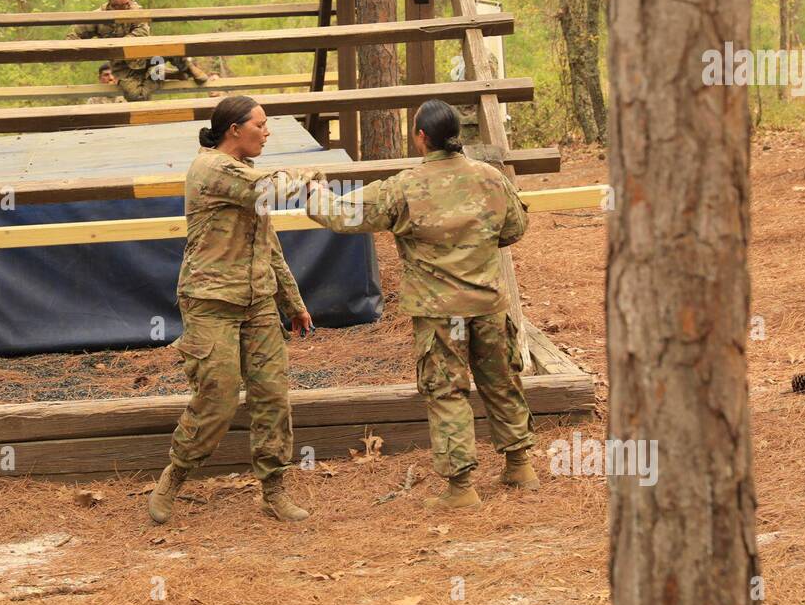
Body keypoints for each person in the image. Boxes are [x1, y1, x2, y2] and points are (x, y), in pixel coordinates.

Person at [304, 99, 537, 511]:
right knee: (501, 379)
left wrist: (313, 191)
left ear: (421, 137)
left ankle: (462, 488)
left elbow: (341, 217)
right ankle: (519, 465)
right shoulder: (491, 178)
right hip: (488, 304)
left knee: (446, 392)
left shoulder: (404, 187)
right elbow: (515, 229)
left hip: (439, 313)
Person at [148, 96, 316, 525]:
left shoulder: (241, 172)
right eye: (260, 124)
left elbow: (268, 243)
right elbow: (270, 189)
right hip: (211, 303)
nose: (267, 131)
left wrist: (290, 302)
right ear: (234, 130)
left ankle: (274, 488)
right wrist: (309, 173)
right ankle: (176, 475)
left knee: (272, 397)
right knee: (217, 398)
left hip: (257, 302)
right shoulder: (211, 169)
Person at [69, 0, 211, 101]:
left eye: (127, 4)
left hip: (145, 54)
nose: (125, 8)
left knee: (169, 47)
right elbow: (73, 35)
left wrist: (116, 46)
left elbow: (142, 33)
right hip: (123, 66)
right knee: (136, 96)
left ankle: (188, 68)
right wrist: (85, 48)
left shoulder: (137, 11)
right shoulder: (97, 17)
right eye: (119, 6)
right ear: (111, 5)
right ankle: (166, 74)